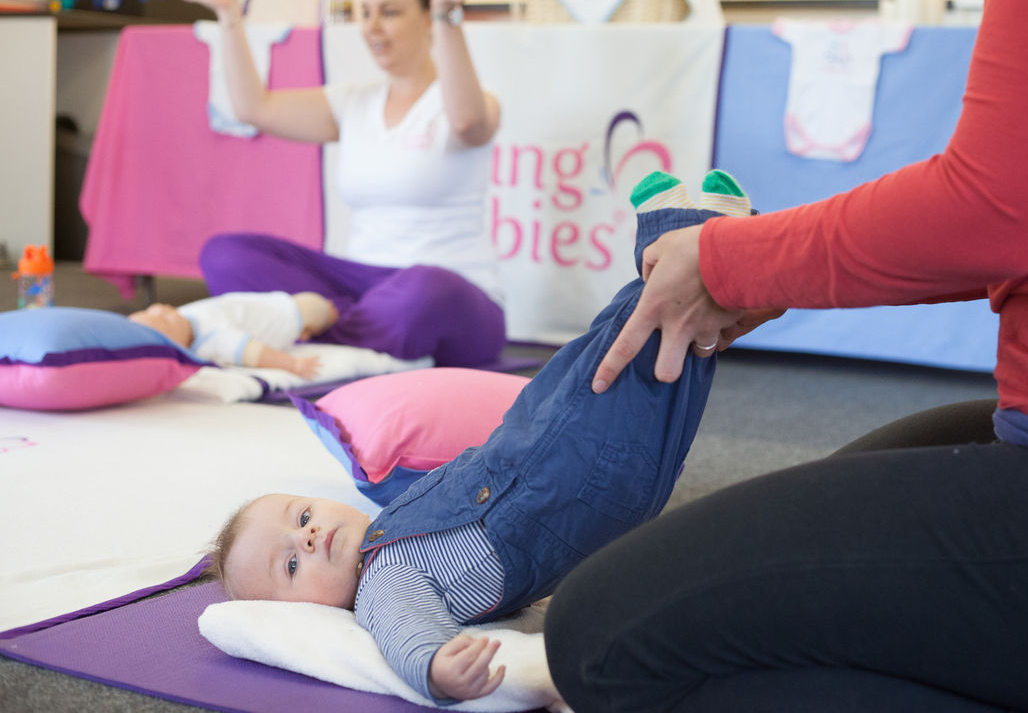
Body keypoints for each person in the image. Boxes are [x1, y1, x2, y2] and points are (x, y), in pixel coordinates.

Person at [543, 0, 1028, 712]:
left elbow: (1002, 209)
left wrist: (729, 262)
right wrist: (767, 276)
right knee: (820, 514)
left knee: (604, 638)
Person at [203, 172, 752, 704]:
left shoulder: (385, 528)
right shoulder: (382, 591)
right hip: (560, 489)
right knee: (617, 369)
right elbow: (407, 636)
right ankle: (682, 240)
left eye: (301, 516)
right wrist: (439, 668)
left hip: (532, 460)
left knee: (627, 370)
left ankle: (710, 255)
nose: (309, 537)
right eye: (292, 566)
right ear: (304, 612)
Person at [170, 0, 505, 369]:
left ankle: (310, 330)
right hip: (359, 287)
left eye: (390, 12)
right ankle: (361, 337)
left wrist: (447, 16)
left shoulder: (469, 101)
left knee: (425, 288)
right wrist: (228, 13)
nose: (372, 27)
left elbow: (468, 120)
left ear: (425, 18)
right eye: (365, 12)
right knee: (225, 254)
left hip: (453, 298)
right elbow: (253, 108)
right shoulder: (353, 102)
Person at [129, 291, 338, 378]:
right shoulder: (216, 337)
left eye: (150, 310)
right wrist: (293, 365)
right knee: (320, 309)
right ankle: (330, 314)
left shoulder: (184, 316)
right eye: (163, 319)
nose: (159, 307)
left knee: (313, 303)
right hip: (291, 314)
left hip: (275, 303)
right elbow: (255, 353)